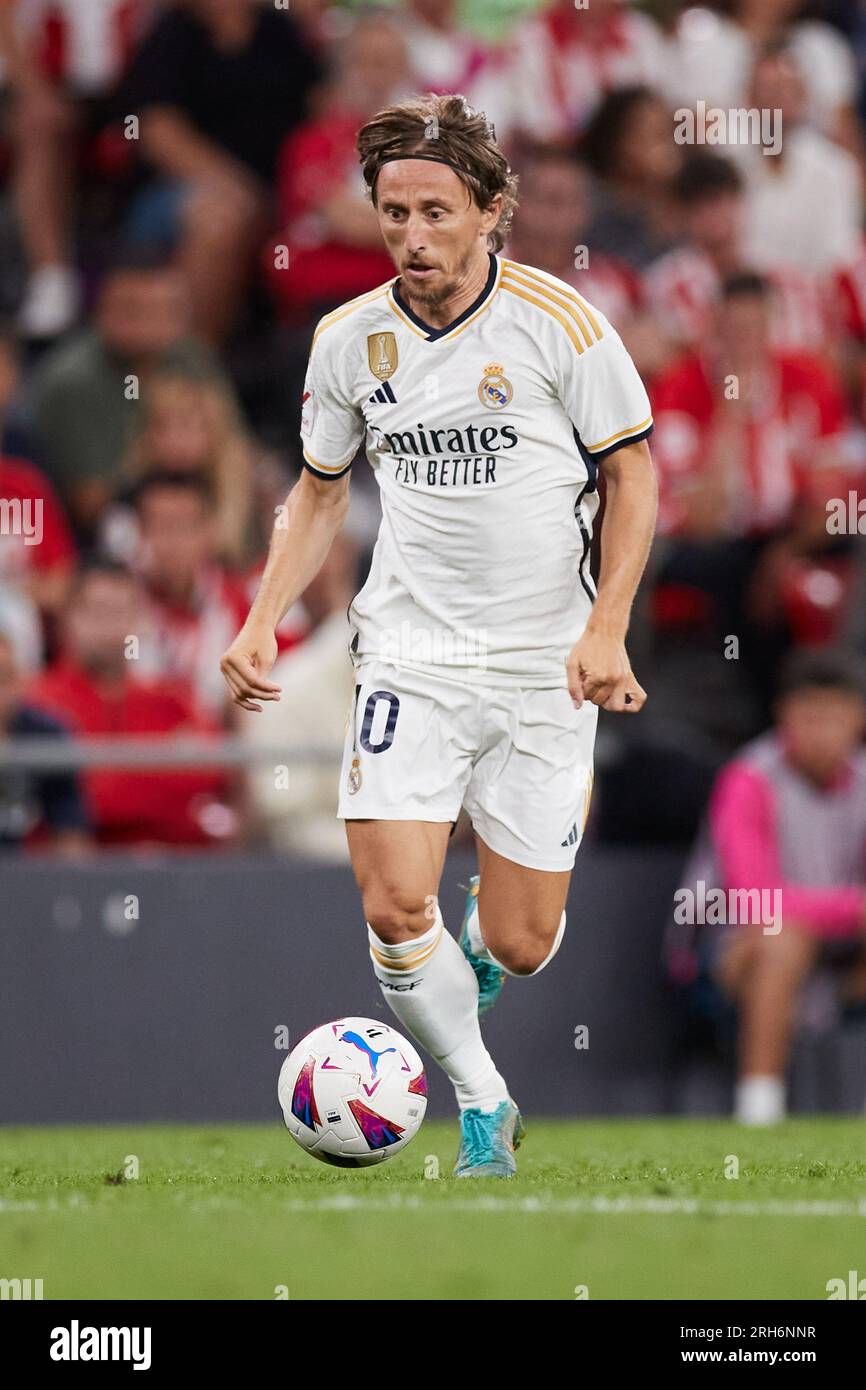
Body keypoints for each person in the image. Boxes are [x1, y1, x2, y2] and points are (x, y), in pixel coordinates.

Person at [221, 94, 657, 1177]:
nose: (411, 234)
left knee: (518, 940)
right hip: (408, 654)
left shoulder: (560, 324)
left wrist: (605, 632)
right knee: (388, 898)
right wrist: (263, 618)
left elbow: (632, 475)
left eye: (434, 211)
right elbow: (320, 494)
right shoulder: (348, 340)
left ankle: (479, 956)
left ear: (490, 213)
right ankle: (480, 1102)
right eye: (392, 210)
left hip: (543, 663)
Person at [669, 648, 866, 1125]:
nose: (821, 731)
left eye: (833, 716)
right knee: (781, 940)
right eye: (809, 716)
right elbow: (757, 901)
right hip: (726, 953)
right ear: (785, 716)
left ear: (858, 719)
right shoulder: (748, 776)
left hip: (835, 954)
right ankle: (760, 1111)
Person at [28, 560, 233, 848]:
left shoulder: (170, 698)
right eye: (97, 612)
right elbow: (68, 798)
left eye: (120, 612)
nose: (110, 628)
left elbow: (215, 771)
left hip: (172, 869)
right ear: (69, 617)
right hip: (71, 874)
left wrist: (99, 777)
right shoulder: (37, 701)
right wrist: (164, 761)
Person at [30, 246, 229, 540]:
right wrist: (162, 459)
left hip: (208, 519)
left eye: (161, 310)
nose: (144, 324)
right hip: (102, 543)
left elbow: (234, 447)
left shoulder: (191, 358)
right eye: (131, 309)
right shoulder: (73, 381)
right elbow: (90, 504)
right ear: (102, 309)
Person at [0, 630, 91, 854]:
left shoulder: (49, 734)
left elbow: (71, 836)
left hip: (31, 876)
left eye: (3, 678)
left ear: (22, 681)